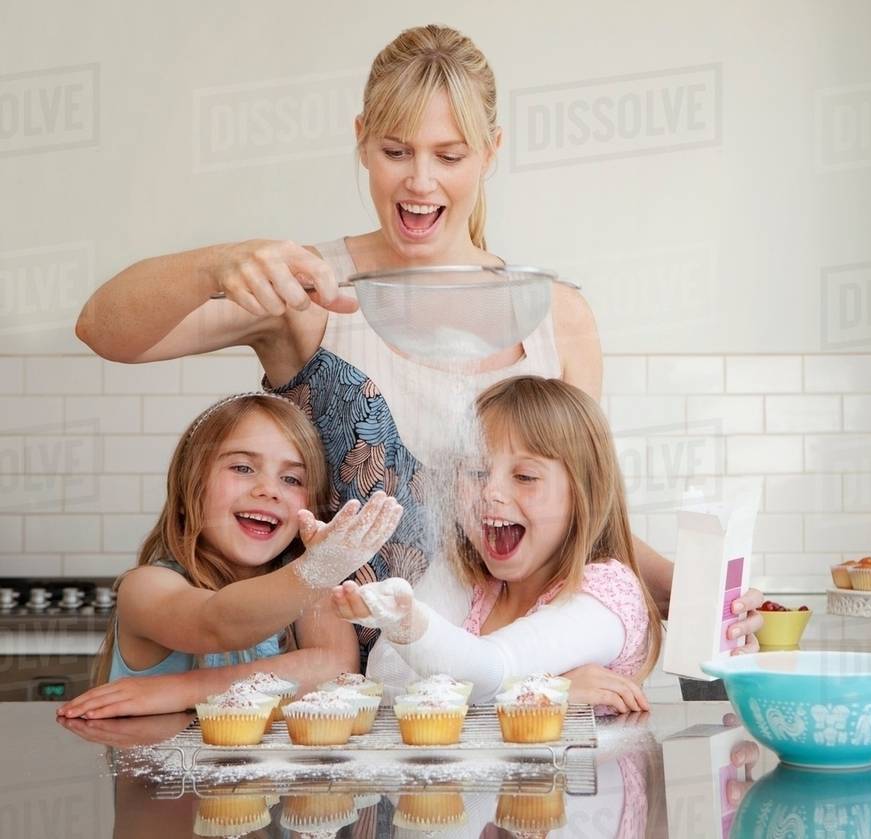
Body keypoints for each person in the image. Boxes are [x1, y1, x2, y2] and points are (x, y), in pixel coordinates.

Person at [74, 24, 762, 705]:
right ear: (361, 140)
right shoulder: (309, 288)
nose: (420, 181)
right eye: (396, 150)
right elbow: (104, 331)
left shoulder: (557, 316)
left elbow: (580, 510)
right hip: (345, 697)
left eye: (449, 155)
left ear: (490, 152)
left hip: (515, 695)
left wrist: (695, 593)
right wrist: (215, 264)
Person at [57, 393, 402, 719]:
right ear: (190, 487)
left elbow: (336, 667)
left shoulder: (309, 587)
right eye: (242, 468)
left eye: (291, 478)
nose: (268, 490)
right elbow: (216, 624)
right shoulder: (145, 587)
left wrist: (185, 690)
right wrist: (317, 569)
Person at [332, 376, 661, 712]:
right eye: (476, 473)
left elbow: (494, 667)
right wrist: (544, 692)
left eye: (525, 477)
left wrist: (407, 623)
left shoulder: (607, 596)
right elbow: (387, 679)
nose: (491, 492)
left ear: (584, 494)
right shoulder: (468, 576)